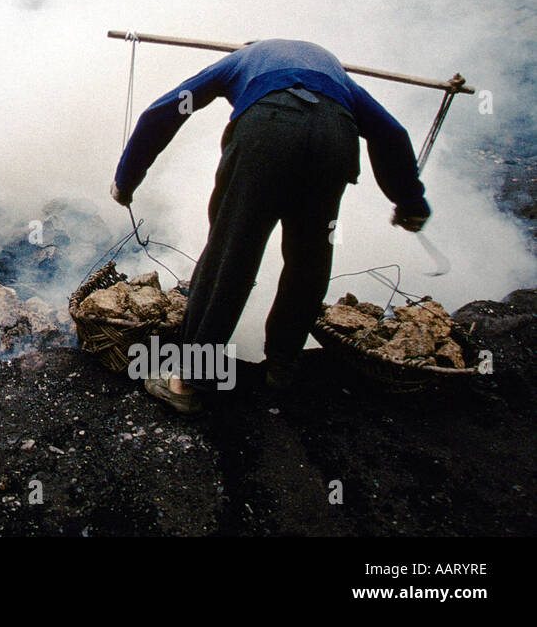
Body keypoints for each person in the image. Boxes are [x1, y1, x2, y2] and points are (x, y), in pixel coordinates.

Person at [110, 38, 430, 414]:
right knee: (309, 257)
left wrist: (126, 179)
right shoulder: (334, 72)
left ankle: (188, 380)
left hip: (268, 130)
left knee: (231, 253)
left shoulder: (242, 58)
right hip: (335, 138)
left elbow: (166, 110)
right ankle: (282, 366)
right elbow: (391, 133)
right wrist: (409, 202)